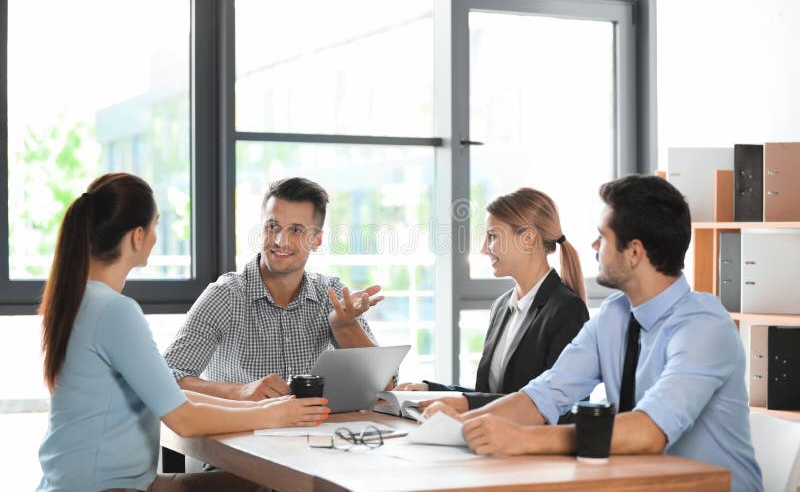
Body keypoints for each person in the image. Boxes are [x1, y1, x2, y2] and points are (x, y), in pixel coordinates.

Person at [424, 174, 762, 492]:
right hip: (636, 482)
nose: (593, 245)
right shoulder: (613, 317)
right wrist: (461, 424)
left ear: (634, 252)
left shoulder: (704, 326)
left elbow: (649, 432)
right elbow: (543, 395)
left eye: (602, 236)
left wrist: (523, 439)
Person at [37, 173, 329, 492]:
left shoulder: (86, 300)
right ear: (137, 236)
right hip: (103, 487)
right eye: (155, 226)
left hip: (120, 481)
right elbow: (184, 419)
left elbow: (171, 394)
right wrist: (271, 416)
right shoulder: (114, 311)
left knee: (261, 482)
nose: (155, 237)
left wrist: (265, 408)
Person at [164, 177, 386, 400]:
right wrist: (240, 391)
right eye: (273, 226)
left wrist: (345, 326)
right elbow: (168, 377)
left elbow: (385, 383)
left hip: (315, 430)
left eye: (296, 230)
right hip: (239, 431)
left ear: (316, 240)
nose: (280, 241)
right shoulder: (225, 296)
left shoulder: (332, 294)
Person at [395, 188, 589, 418]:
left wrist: (462, 404)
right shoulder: (501, 306)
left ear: (528, 238)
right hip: (491, 443)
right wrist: (432, 391)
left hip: (529, 448)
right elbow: (491, 395)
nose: (484, 248)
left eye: (493, 236)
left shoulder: (567, 310)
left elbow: (556, 407)